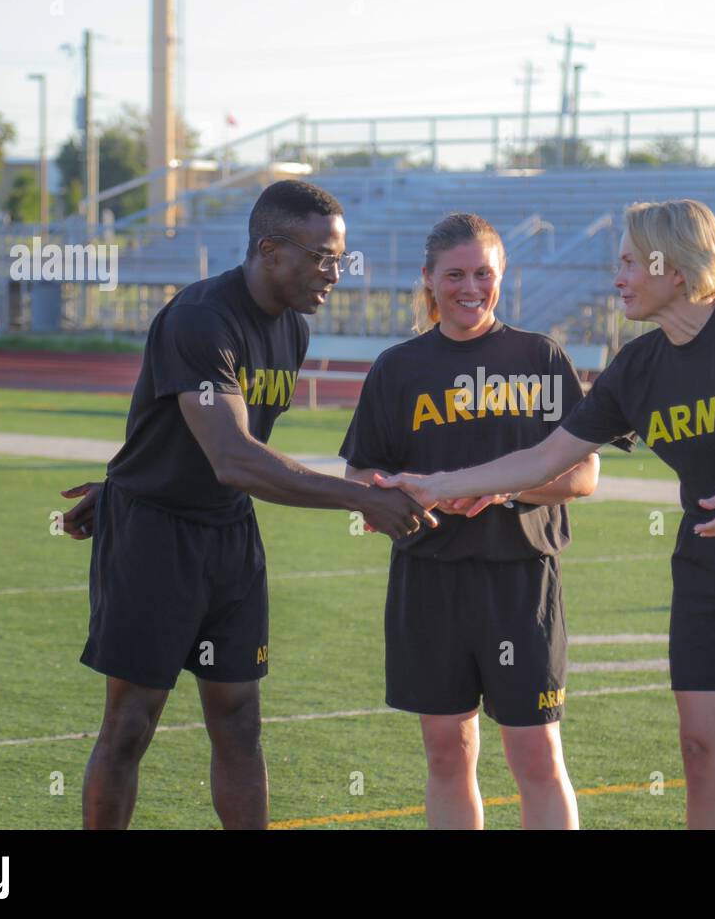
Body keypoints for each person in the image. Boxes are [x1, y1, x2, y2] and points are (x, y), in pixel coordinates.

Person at [379, 200, 715, 829]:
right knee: (701, 756)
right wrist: (438, 485)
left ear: (673, 267)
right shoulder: (636, 368)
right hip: (708, 559)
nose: (616, 278)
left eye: (626, 263)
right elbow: (546, 459)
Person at [57, 180, 435, 830]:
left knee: (239, 722)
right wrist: (364, 500)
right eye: (322, 257)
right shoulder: (200, 317)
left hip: (227, 534)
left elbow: (220, 451)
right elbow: (233, 455)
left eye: (340, 258)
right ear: (269, 249)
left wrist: (126, 479)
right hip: (156, 538)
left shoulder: (295, 329)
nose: (335, 274)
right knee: (129, 725)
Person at [339, 213, 612, 830]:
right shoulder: (398, 368)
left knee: (536, 754)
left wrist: (501, 491)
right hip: (429, 582)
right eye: (455, 274)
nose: (470, 287)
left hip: (520, 583)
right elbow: (360, 482)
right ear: (429, 280)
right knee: (447, 752)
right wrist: (405, 497)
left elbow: (584, 475)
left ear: (501, 276)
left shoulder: (538, 357)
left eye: (483, 273)